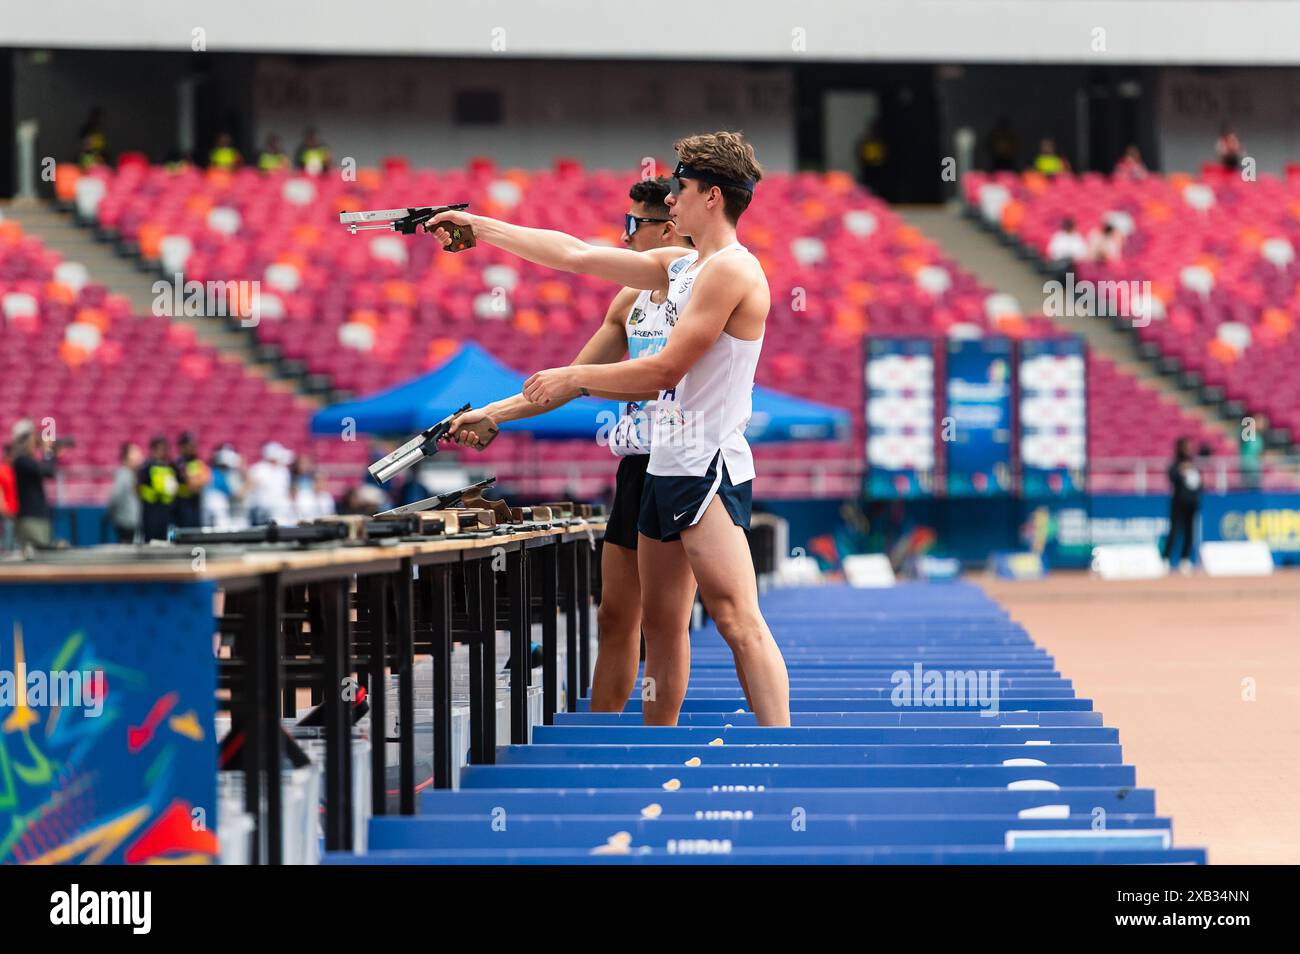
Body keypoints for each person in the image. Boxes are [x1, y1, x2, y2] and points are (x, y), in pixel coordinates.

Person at [430, 131, 792, 726]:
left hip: (706, 464)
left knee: (736, 619)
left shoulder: (731, 271)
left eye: (682, 189)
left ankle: (782, 754)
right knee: (661, 628)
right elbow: (573, 254)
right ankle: (654, 751)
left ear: (713, 197)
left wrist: (576, 380)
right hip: (663, 465)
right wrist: (481, 227)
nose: (670, 201)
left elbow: (666, 368)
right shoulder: (678, 265)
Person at [444, 175, 693, 712]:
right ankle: (604, 740)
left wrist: (480, 227)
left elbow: (644, 377)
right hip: (636, 470)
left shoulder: (704, 288)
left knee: (670, 621)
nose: (624, 236)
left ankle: (673, 746)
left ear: (670, 227)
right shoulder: (630, 301)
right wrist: (493, 414)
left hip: (687, 466)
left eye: (633, 224)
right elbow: (571, 378)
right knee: (614, 617)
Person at [10, 419, 61, 549]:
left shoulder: (24, 461)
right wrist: (48, 452)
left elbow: (49, 472)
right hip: (31, 519)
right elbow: (47, 471)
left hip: (36, 518)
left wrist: (50, 453)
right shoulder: (21, 461)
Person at [1163, 437, 1201, 574]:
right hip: (1178, 503)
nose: (1189, 450)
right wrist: (1180, 471)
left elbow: (1199, 484)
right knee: (1174, 531)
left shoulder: (1193, 464)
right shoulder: (1175, 464)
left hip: (1192, 504)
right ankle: (1166, 560)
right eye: (1186, 447)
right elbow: (1172, 477)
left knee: (1189, 533)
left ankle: (1185, 560)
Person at [138, 435, 179, 542]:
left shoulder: (171, 466)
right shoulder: (147, 466)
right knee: (151, 538)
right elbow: (141, 487)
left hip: (166, 510)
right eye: (161, 449)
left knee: (166, 538)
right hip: (151, 510)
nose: (164, 452)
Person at [246, 442, 296, 524]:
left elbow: (286, 491)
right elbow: (250, 488)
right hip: (264, 512)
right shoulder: (258, 469)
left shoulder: (283, 470)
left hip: (283, 511)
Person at [106, 441, 143, 542]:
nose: (139, 456)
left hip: (131, 521)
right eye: (135, 453)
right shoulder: (123, 474)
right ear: (127, 457)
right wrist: (114, 514)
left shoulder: (131, 474)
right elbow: (115, 496)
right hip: (126, 522)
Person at [203, 444, 246, 528]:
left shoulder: (215, 473)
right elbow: (236, 494)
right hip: (217, 509)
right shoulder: (215, 474)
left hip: (220, 509)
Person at [174, 432, 211, 529]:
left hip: (195, 502)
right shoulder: (179, 463)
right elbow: (192, 485)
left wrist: (197, 481)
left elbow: (207, 477)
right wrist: (198, 480)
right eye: (189, 445)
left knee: (196, 529)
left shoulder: (197, 461)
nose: (192, 447)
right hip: (182, 504)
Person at [292, 456, 335, 522]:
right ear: (312, 482)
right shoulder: (303, 495)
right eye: (318, 481)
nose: (320, 484)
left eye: (323, 481)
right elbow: (302, 515)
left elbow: (330, 514)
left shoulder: (327, 496)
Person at [0, 441, 16, 550]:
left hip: (16, 512)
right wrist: (2, 507)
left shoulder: (15, 471)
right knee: (7, 543)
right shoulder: (2, 470)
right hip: (6, 512)